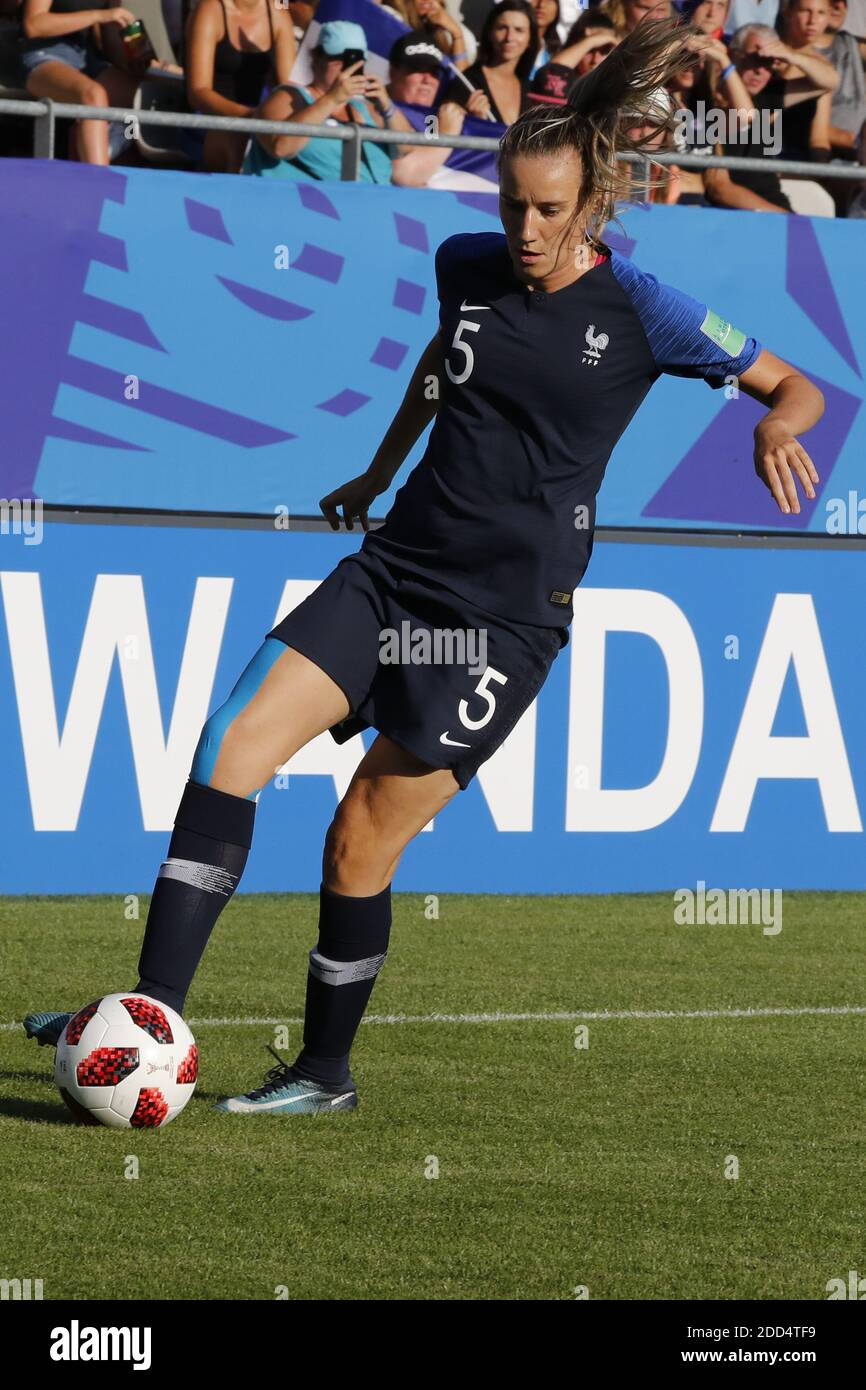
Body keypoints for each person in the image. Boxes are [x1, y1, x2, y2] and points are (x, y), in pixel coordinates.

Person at [25, 18, 824, 1118]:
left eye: (549, 211)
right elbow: (440, 375)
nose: (526, 229)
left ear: (590, 202)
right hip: (395, 569)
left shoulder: (643, 310)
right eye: (511, 205)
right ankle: (148, 1014)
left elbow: (799, 386)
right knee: (226, 745)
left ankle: (323, 1072)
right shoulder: (467, 265)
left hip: (499, 622)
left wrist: (776, 426)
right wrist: (374, 468)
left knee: (358, 835)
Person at [243, 19, 416, 182]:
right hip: (309, 207)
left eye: (355, 60)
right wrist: (332, 99)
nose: (346, 67)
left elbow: (406, 148)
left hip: (371, 204)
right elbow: (280, 147)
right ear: (316, 59)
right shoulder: (287, 96)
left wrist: (387, 107)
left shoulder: (367, 109)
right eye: (339, 59)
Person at [706, 21, 838, 213]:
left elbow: (830, 81)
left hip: (774, 207)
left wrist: (789, 55)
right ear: (733, 54)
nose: (761, 70)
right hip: (735, 213)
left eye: (769, 63)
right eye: (754, 59)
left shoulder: (768, 95)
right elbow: (720, 189)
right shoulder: (707, 100)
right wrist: (783, 217)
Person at [19, 0, 141, 164]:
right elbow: (33, 25)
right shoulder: (99, 15)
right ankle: (96, 180)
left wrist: (136, 59)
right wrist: (99, 16)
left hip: (86, 56)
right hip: (42, 53)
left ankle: (110, 145)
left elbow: (110, 41)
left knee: (139, 96)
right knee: (93, 95)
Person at [186, 0, 296, 172]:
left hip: (258, 120)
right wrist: (250, 117)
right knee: (236, 138)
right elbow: (198, 93)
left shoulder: (278, 11)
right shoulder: (209, 10)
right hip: (210, 119)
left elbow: (290, 88)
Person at [444, 0, 538, 123]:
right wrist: (473, 121)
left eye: (519, 30)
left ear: (530, 39)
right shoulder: (468, 82)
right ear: (490, 33)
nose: (509, 37)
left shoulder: (530, 89)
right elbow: (439, 131)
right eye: (502, 28)